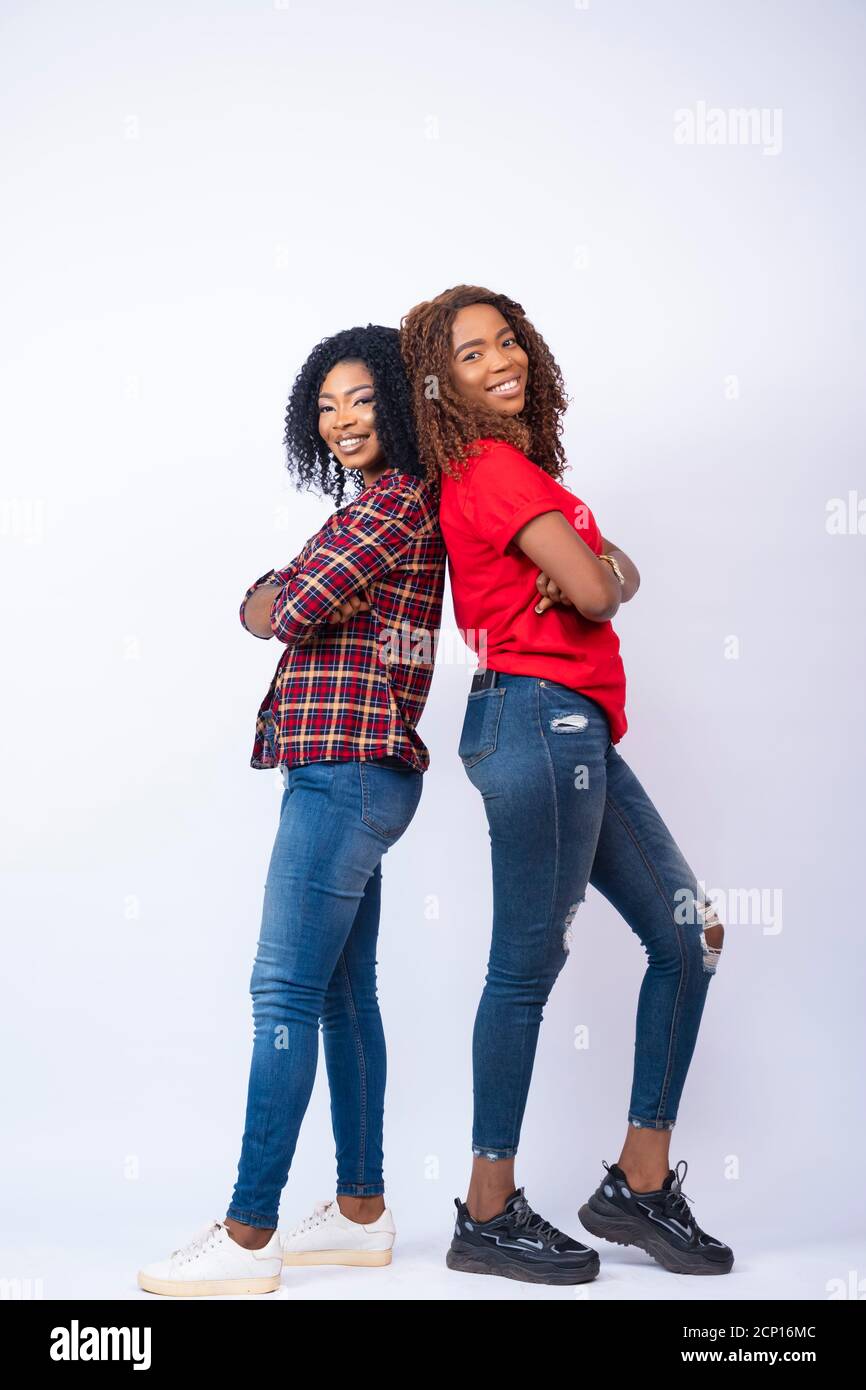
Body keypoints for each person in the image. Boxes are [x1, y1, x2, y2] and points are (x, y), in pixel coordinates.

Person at [399, 285, 732, 1285]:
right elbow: (597, 586)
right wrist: (596, 569)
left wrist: (600, 568)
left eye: (507, 340)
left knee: (687, 934)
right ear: (439, 382)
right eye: (470, 353)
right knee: (523, 968)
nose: (500, 359)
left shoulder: (523, 470)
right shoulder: (490, 471)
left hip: (566, 725)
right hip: (535, 721)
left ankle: (636, 1182)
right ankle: (487, 1211)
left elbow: (608, 573)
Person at [138, 325, 445, 1295]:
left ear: (396, 403)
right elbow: (269, 605)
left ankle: (247, 1232)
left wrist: (275, 591)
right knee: (347, 995)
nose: (343, 419)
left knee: (282, 994)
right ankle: (361, 1213)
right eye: (326, 405)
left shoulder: (389, 507)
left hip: (343, 773)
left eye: (360, 399)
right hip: (361, 772)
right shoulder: (375, 508)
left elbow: (289, 606)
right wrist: (271, 595)